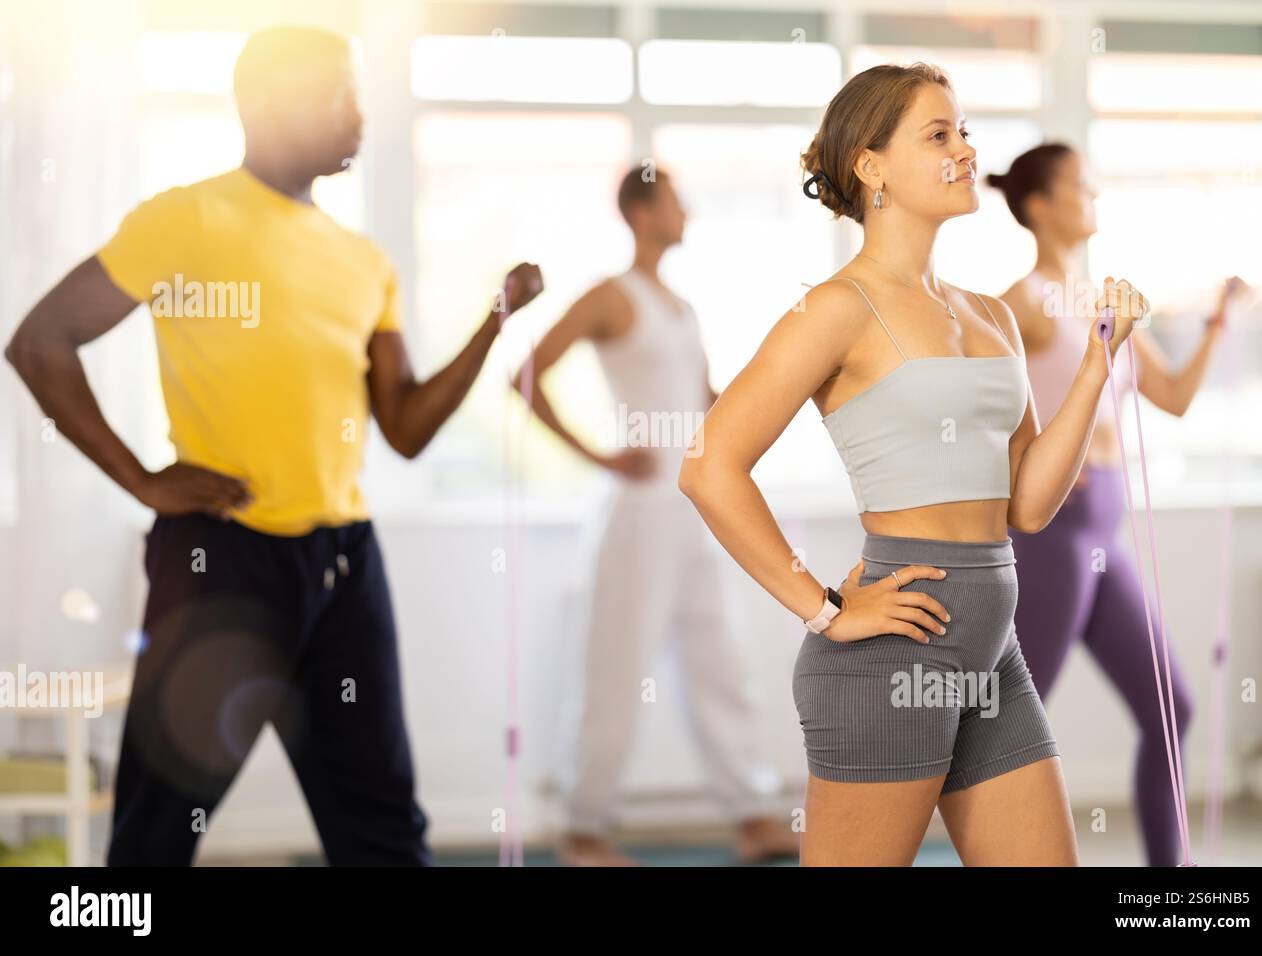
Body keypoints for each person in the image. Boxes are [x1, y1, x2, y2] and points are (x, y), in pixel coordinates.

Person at [4, 26, 543, 865]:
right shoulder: (183, 220)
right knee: (155, 830)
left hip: (344, 566)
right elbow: (38, 342)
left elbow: (403, 429)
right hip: (220, 564)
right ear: (270, 102)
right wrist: (142, 481)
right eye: (339, 93)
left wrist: (493, 322)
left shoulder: (363, 262)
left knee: (384, 831)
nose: (359, 114)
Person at [678, 63, 1148, 866]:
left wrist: (1098, 366)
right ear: (872, 167)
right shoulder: (834, 309)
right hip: (890, 652)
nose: (964, 149)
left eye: (963, 131)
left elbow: (1028, 503)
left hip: (991, 648)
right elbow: (708, 465)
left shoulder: (990, 314)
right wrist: (824, 607)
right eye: (938, 135)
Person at [516, 167, 797, 866]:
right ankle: (585, 829)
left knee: (720, 659)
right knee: (615, 666)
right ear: (643, 213)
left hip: (695, 509)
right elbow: (525, 374)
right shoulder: (612, 296)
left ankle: (756, 815)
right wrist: (601, 457)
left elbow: (707, 401)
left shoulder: (681, 306)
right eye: (675, 200)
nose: (687, 211)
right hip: (637, 514)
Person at [989, 142, 1237, 865]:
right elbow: (986, 408)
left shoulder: (1107, 303)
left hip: (1109, 533)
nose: (1092, 193)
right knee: (1011, 724)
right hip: (1055, 531)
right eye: (1078, 185)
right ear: (1040, 206)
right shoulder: (1024, 303)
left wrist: (1218, 322)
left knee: (1172, 710)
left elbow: (1175, 400)